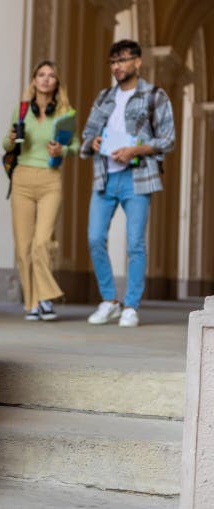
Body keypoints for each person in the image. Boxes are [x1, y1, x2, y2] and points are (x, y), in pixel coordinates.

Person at [81, 40, 175, 327]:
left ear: (138, 62)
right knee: (95, 237)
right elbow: (87, 135)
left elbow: (168, 139)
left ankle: (131, 305)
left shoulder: (154, 96)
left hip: (137, 178)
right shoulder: (104, 97)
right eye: (113, 61)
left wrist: (137, 148)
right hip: (105, 177)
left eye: (122, 59)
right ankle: (109, 300)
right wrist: (93, 141)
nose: (117, 66)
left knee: (135, 243)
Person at [2, 60, 79, 321]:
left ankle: (45, 297)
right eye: (41, 75)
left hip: (50, 179)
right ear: (34, 80)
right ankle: (33, 303)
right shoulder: (22, 110)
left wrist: (63, 150)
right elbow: (5, 143)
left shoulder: (66, 112)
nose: (46, 79)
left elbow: (76, 145)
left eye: (51, 76)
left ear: (57, 83)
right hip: (22, 178)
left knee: (42, 242)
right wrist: (10, 139)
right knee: (23, 245)